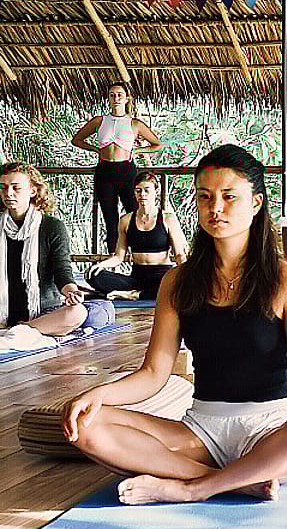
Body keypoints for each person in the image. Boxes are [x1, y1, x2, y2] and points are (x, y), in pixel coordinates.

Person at [62, 145, 287, 505]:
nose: (215, 208)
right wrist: (99, 394)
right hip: (202, 429)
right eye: (205, 197)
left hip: (271, 427)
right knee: (86, 424)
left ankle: (191, 487)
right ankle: (236, 481)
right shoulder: (177, 282)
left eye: (229, 197)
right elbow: (153, 373)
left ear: (256, 203)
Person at [1, 162, 114, 344]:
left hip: (43, 311)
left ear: (32, 191)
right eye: (4, 187)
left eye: (16, 188)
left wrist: (71, 292)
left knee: (79, 312)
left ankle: (21, 330)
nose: (9, 193)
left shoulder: (52, 227)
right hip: (4, 310)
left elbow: (62, 270)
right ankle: (24, 332)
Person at [71, 83, 163, 253]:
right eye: (112, 95)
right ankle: (113, 256)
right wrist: (95, 149)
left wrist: (137, 151)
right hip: (104, 171)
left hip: (126, 170)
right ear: (108, 98)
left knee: (134, 212)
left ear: (127, 98)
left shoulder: (134, 123)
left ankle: (141, 251)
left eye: (120, 94)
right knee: (110, 217)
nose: (116, 98)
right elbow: (76, 140)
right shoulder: (99, 121)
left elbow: (157, 144)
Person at [86, 171, 188, 300]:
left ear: (156, 191)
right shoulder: (126, 220)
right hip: (136, 279)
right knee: (92, 275)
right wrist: (100, 266)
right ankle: (138, 293)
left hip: (161, 277)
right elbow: (118, 257)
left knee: (176, 285)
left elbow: (179, 255)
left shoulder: (168, 218)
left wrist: (185, 274)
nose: (142, 195)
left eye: (147, 190)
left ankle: (135, 294)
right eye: (138, 191)